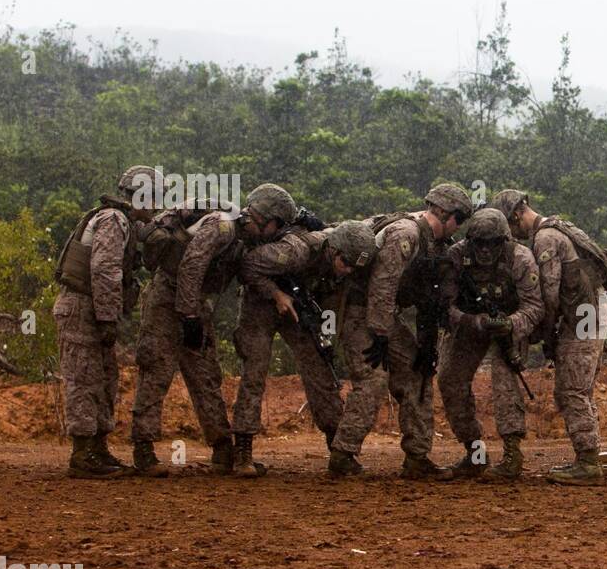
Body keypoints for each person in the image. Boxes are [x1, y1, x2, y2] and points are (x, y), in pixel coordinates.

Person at [129, 192, 286, 475]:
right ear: (264, 219)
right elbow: (192, 265)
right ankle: (144, 449)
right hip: (168, 298)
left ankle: (222, 448)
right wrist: (189, 315)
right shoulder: (222, 225)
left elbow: (247, 274)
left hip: (195, 303)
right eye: (277, 224)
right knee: (156, 369)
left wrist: (276, 294)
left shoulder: (240, 241)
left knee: (206, 375)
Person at [328, 184, 472, 477]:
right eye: (458, 219)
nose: (459, 226)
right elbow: (383, 284)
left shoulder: (436, 244)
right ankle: (343, 454)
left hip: (385, 315)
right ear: (443, 213)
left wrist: (426, 342)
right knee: (373, 378)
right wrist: (380, 335)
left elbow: (428, 297)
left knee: (418, 374)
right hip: (361, 311)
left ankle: (417, 457)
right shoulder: (405, 234)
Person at [232, 212, 376, 476]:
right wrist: (276, 294)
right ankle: (242, 453)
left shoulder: (344, 253)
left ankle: (337, 448)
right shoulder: (298, 250)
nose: (347, 270)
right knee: (255, 370)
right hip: (260, 301)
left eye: (354, 267)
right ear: (333, 250)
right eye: (345, 262)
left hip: (297, 307)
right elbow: (247, 266)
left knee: (320, 367)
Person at [491, 190, 607, 485]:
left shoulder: (545, 238)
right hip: (593, 314)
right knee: (580, 390)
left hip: (583, 321)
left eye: (508, 229)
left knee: (571, 391)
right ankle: (588, 457)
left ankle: (588, 464)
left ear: (515, 216)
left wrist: (544, 334)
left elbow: (548, 295)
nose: (511, 236)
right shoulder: (561, 225)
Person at [52, 165, 161, 478]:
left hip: (90, 307)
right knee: (84, 377)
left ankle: (97, 448)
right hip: (83, 307)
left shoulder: (119, 219)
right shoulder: (114, 220)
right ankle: (83, 453)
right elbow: (104, 270)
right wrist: (107, 318)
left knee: (104, 377)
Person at [437, 208, 543, 480]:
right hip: (468, 324)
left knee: (505, 379)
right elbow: (443, 306)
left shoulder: (521, 258)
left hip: (508, 326)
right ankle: (475, 453)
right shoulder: (456, 257)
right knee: (450, 379)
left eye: (493, 243)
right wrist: (473, 322)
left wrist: (511, 323)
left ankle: (512, 454)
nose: (485, 250)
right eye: (479, 243)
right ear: (470, 241)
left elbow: (534, 306)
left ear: (504, 242)